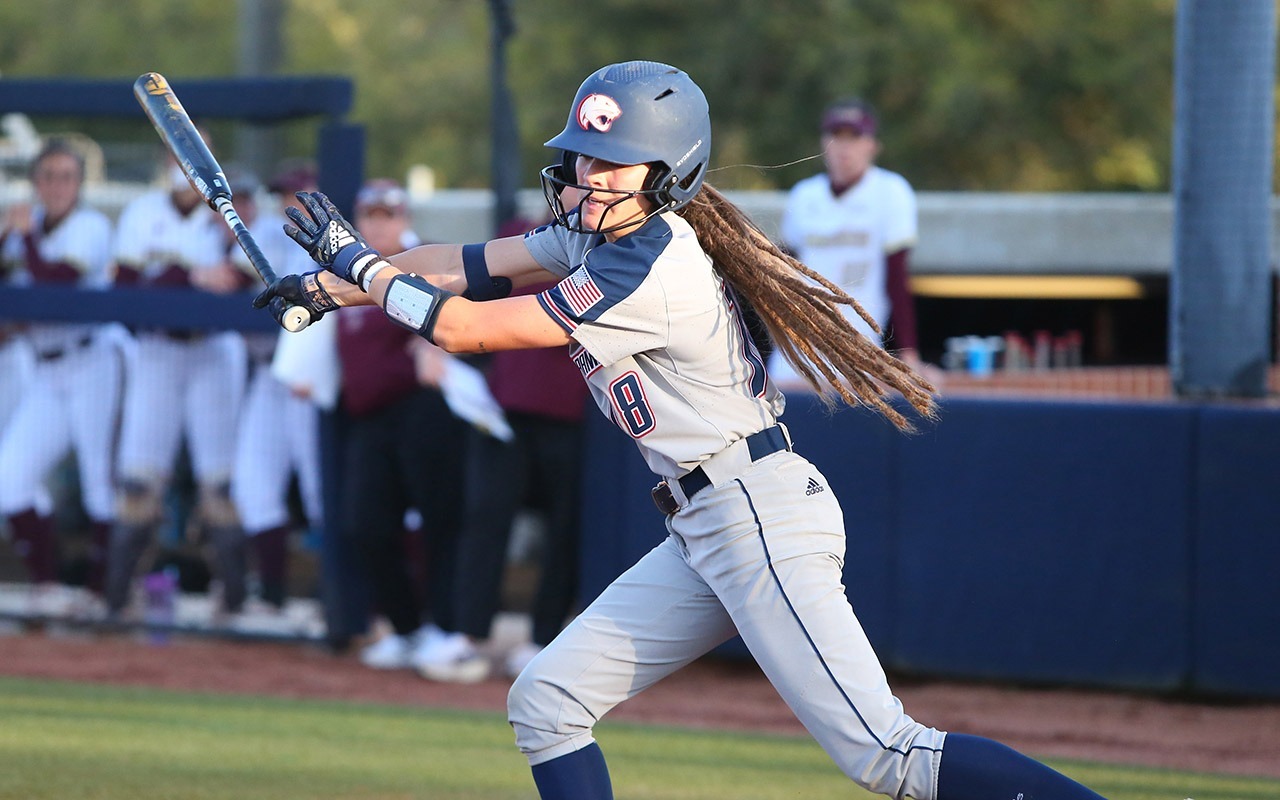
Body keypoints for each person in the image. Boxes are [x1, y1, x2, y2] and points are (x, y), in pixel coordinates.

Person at [257, 61, 1108, 800]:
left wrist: (362, 264)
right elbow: (466, 266)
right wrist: (331, 288)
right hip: (706, 521)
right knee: (546, 701)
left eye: (614, 161)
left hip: (756, 513)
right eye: (585, 155)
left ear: (666, 173)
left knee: (887, 755)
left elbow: (470, 329)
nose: (589, 174)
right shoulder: (604, 235)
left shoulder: (648, 260)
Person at [413, 270, 591, 683]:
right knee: (483, 521)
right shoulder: (524, 241)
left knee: (564, 531)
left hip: (575, 418)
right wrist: (434, 344)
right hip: (502, 412)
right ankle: (468, 637)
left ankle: (545, 639)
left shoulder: (608, 254)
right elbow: (469, 297)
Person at [105, 143, 249, 624]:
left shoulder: (232, 210)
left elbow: (249, 284)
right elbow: (125, 287)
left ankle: (232, 602)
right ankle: (117, 598)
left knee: (223, 483)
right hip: (157, 353)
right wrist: (186, 276)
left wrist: (216, 266)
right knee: (138, 478)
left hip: (213, 353)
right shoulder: (143, 213)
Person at [330, 179, 469, 670]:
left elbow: (448, 322)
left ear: (403, 217)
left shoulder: (420, 265)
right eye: (369, 214)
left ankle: (447, 629)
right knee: (365, 525)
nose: (378, 223)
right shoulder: (348, 271)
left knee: (438, 522)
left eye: (388, 214)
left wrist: (427, 346)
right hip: (368, 416)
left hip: (421, 411)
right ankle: (407, 627)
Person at [0, 138, 124, 616]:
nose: (56, 185)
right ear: (34, 182)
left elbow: (55, 281)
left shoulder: (89, 225)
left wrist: (24, 235)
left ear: (80, 183)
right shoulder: (22, 228)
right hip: (44, 366)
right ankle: (48, 586)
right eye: (47, 176)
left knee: (98, 478)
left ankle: (100, 594)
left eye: (66, 176)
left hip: (93, 357)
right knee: (11, 477)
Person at [225, 165, 325, 621]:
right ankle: (271, 597)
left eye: (301, 193)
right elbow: (227, 275)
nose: (293, 202)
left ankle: (336, 603)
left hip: (312, 377)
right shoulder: (266, 229)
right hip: (268, 374)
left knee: (320, 491)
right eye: (285, 193)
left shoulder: (333, 237)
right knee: (252, 487)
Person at [768, 96, 924, 384]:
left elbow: (897, 279)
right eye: (836, 136)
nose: (844, 146)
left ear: (872, 145)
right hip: (798, 352)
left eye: (854, 137)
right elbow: (782, 277)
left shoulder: (891, 191)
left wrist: (909, 353)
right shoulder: (804, 196)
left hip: (857, 350)